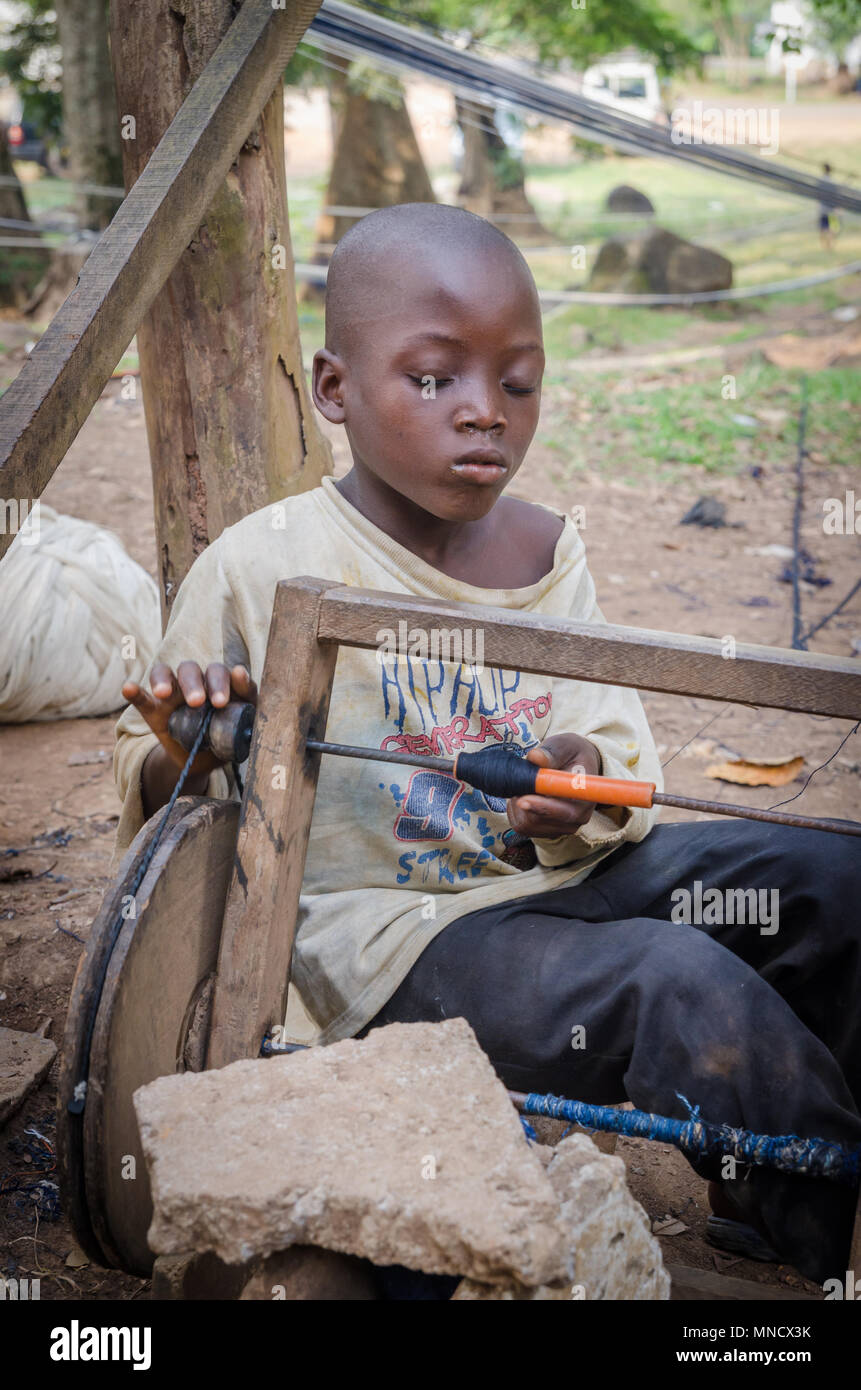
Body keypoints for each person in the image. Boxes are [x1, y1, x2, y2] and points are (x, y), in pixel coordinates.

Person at [115, 202, 860, 1288]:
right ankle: (827, 1235)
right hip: (395, 942)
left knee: (835, 878)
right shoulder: (264, 564)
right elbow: (155, 806)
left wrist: (581, 776)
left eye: (517, 383)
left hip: (573, 879)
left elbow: (609, 739)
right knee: (673, 980)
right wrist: (186, 742)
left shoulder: (550, 551)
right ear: (335, 389)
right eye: (435, 380)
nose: (486, 415)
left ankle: (772, 1196)